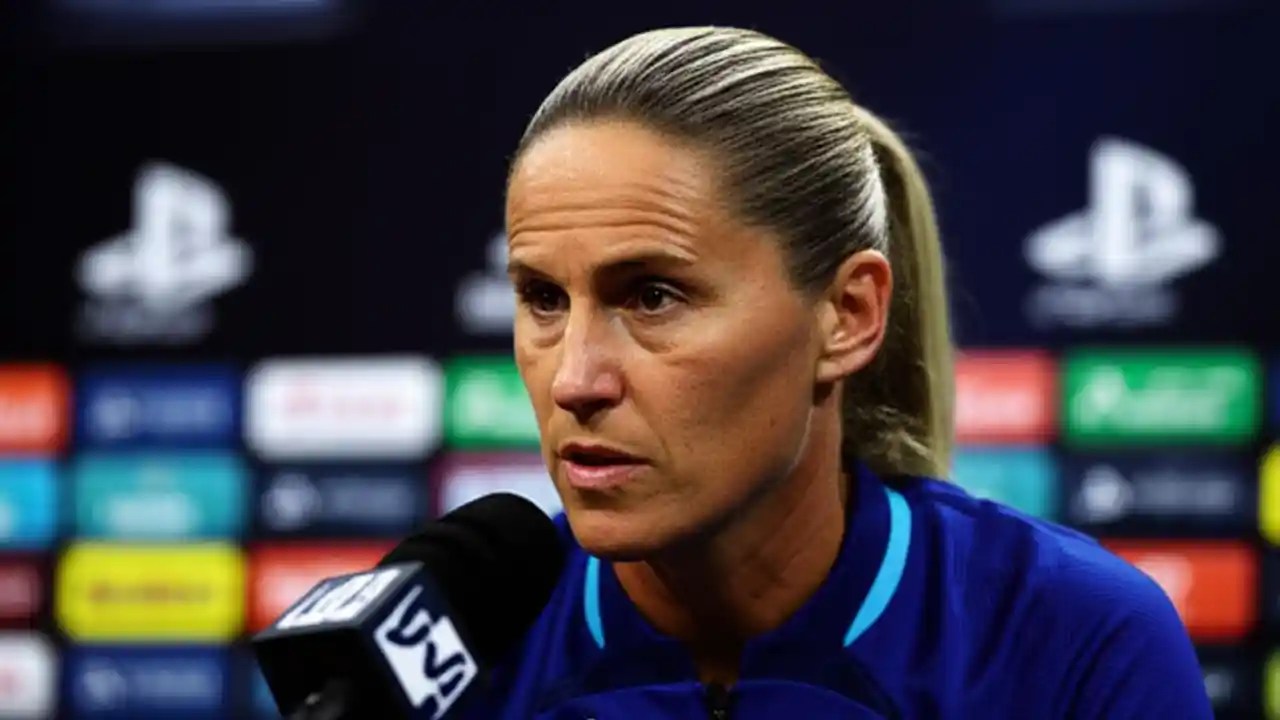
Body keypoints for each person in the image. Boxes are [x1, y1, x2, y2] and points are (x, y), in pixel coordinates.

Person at [470, 25, 1214, 718]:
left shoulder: (1078, 644)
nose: (574, 380)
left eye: (653, 296)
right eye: (543, 298)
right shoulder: (454, 658)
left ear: (848, 315)